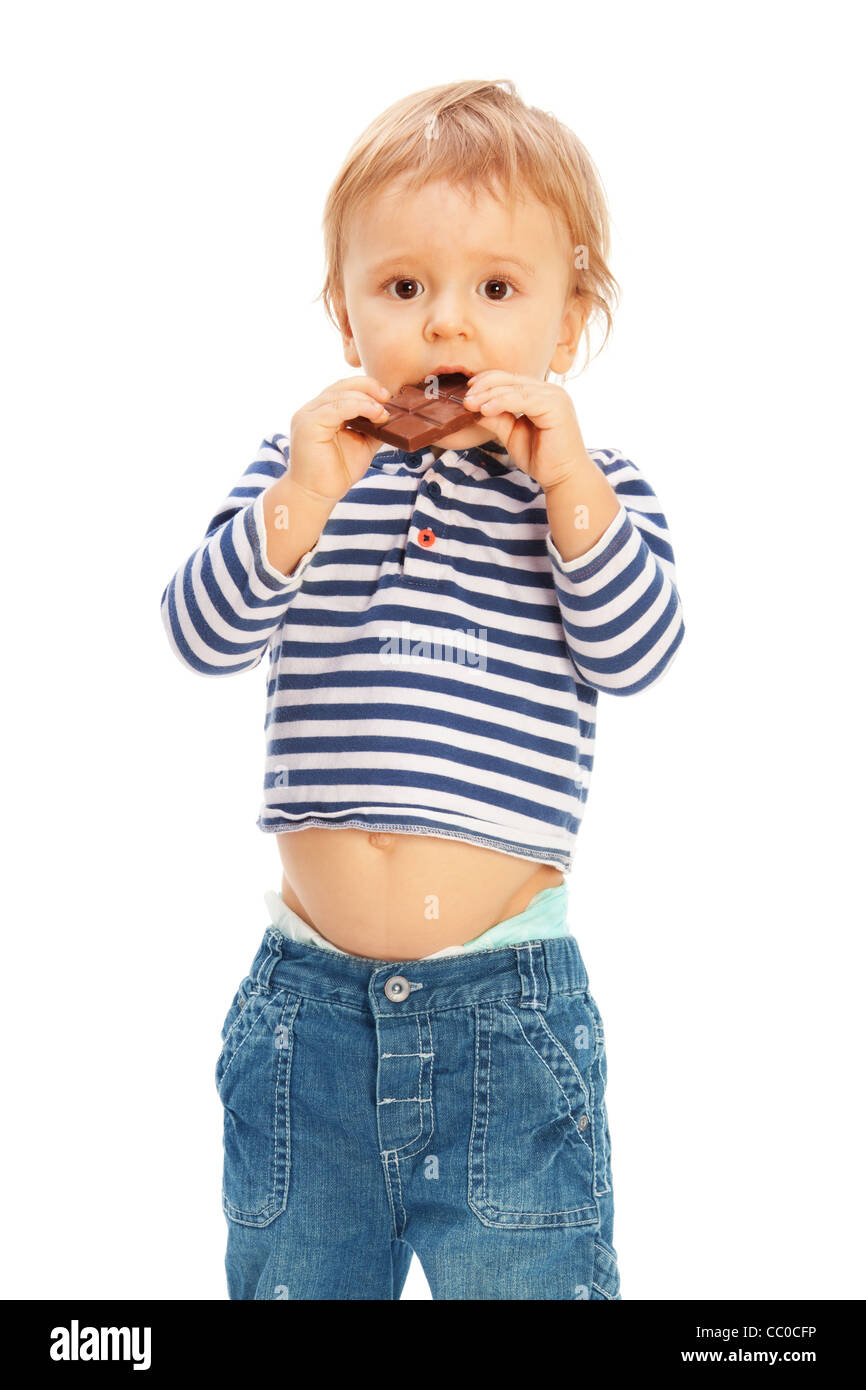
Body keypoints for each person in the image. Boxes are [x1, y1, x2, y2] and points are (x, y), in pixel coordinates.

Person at [160, 78, 685, 1300]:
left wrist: (568, 488)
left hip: (506, 1017)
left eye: (496, 291)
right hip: (306, 1024)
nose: (447, 327)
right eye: (403, 289)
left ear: (569, 323)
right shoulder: (301, 477)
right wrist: (297, 501)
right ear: (346, 321)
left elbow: (638, 649)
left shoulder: (590, 490)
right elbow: (198, 632)